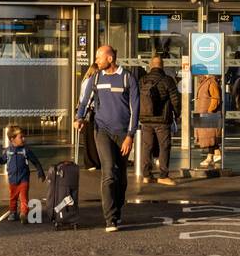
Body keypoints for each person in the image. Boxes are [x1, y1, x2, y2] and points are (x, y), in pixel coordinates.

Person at [75, 45, 140, 232]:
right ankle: (110, 218)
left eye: (99, 57)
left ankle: (117, 208)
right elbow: (85, 101)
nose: (96, 61)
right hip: (101, 130)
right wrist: (79, 118)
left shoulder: (128, 78)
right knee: (109, 171)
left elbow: (135, 110)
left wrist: (130, 136)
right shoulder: (95, 78)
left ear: (110, 58)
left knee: (121, 178)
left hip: (122, 134)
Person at [139, 54, 182, 184]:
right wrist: (177, 114)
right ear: (162, 66)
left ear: (151, 66)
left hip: (145, 119)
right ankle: (163, 175)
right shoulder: (167, 80)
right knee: (164, 146)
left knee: (147, 146)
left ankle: (146, 175)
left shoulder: (143, 80)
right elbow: (175, 100)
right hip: (162, 120)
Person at [0, 125, 47, 222]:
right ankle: (13, 212)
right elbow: (2, 161)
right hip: (12, 179)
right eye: (21, 137)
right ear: (12, 139)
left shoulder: (26, 150)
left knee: (24, 197)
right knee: (13, 197)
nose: (23, 139)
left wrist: (41, 172)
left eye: (23, 136)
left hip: (24, 178)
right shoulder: (8, 151)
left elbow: (35, 161)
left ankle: (23, 213)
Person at [194, 72, 222, 168]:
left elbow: (215, 98)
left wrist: (210, 111)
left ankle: (210, 157)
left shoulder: (211, 82)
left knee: (210, 137)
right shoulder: (205, 82)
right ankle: (216, 153)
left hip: (208, 114)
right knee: (209, 137)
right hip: (204, 113)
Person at [76, 63, 101, 171]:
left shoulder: (85, 81)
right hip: (90, 112)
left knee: (90, 137)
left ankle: (92, 162)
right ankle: (91, 162)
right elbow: (86, 99)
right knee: (90, 138)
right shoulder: (90, 81)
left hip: (88, 111)